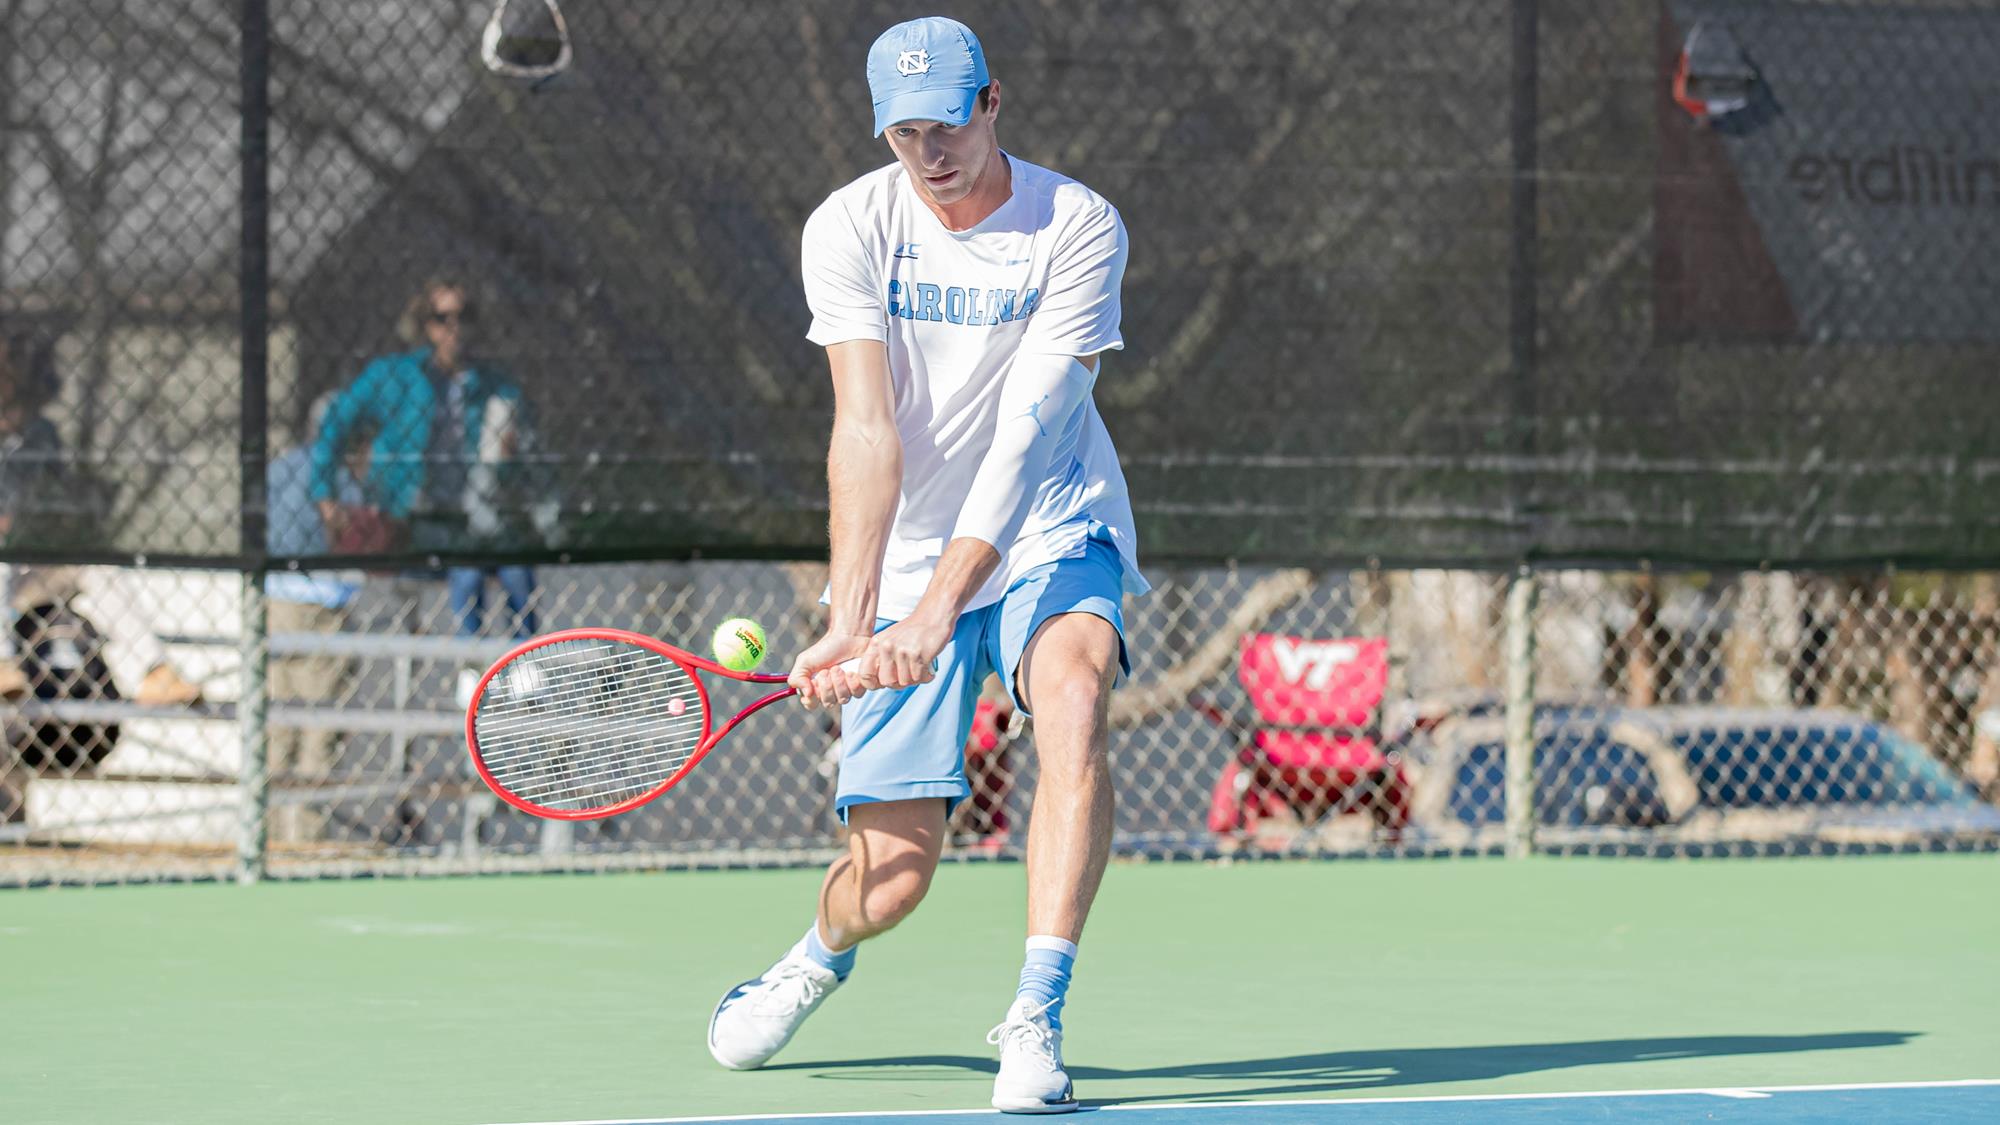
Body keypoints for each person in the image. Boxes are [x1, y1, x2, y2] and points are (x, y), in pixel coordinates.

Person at [704, 18, 1147, 1114]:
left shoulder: (1076, 225)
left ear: (991, 103)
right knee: (892, 880)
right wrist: (854, 618)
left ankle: (1034, 1017)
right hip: (905, 558)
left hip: (1047, 520)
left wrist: (940, 612)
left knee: (1074, 697)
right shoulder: (849, 225)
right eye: (904, 133)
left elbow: (1029, 432)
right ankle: (814, 956)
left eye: (946, 126)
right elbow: (865, 429)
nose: (928, 153)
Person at [307, 279, 539, 703]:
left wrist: (514, 458)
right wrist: (326, 496)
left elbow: (529, 450)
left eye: (463, 318)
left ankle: (522, 660)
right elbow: (335, 423)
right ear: (425, 325)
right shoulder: (392, 377)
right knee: (468, 563)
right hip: (412, 523)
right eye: (441, 319)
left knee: (515, 567)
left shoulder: (493, 386)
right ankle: (474, 665)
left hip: (475, 519)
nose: (454, 329)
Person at [264, 394, 371, 844]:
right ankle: (305, 840)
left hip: (273, 602)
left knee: (275, 724)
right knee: (318, 726)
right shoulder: (340, 477)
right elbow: (349, 536)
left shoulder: (279, 467)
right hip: (320, 606)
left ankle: (265, 834)